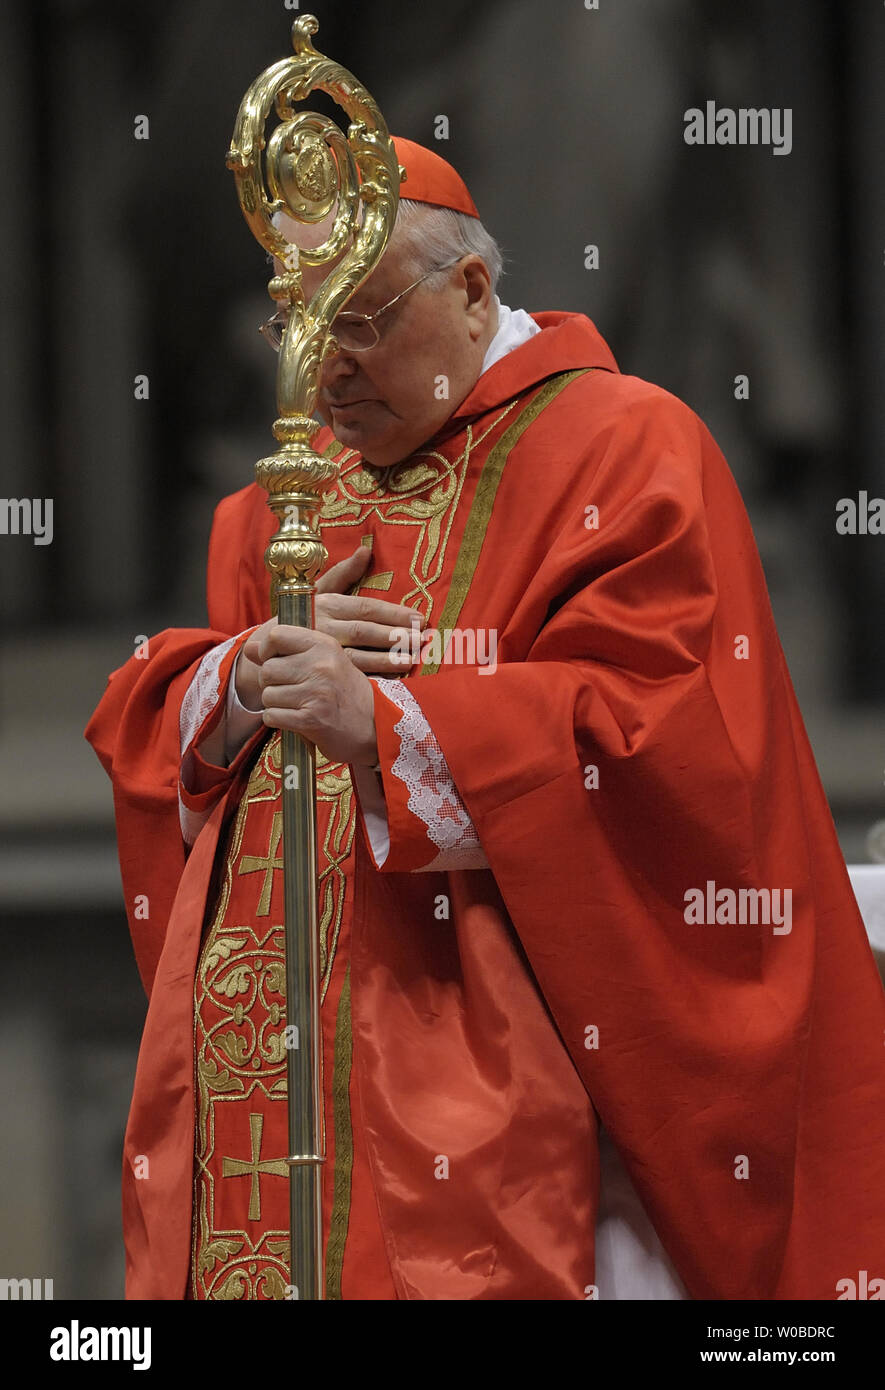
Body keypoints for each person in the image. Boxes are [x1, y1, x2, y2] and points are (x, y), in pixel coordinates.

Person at [86, 137, 885, 1301]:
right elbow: (186, 756)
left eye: (358, 320)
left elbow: (665, 738)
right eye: (293, 328)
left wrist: (393, 729)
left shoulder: (626, 445)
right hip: (306, 1070)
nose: (321, 374)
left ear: (470, 288)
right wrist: (236, 683)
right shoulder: (278, 508)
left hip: (550, 1072)